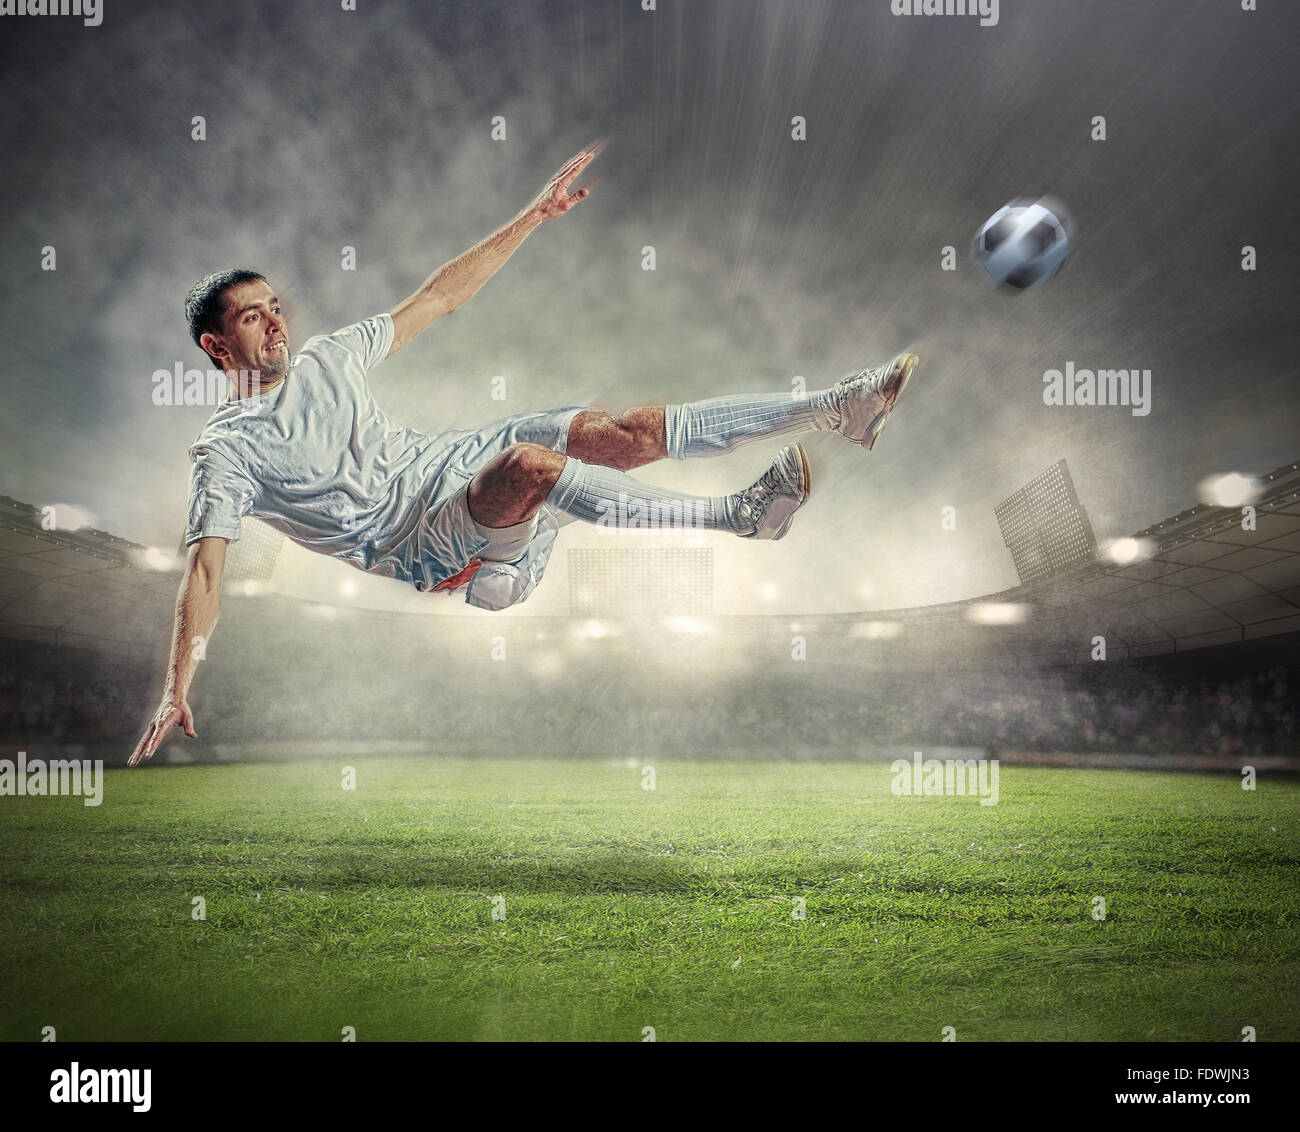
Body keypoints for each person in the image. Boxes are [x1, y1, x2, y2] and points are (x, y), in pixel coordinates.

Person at [128, 140, 918, 767]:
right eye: (251, 318)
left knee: (620, 435)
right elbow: (203, 576)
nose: (275, 323)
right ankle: (737, 517)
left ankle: (836, 408)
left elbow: (438, 296)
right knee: (534, 473)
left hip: (453, 459)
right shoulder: (225, 451)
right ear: (214, 343)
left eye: (274, 307)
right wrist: (176, 687)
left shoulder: (333, 357)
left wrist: (534, 216)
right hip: (415, 539)